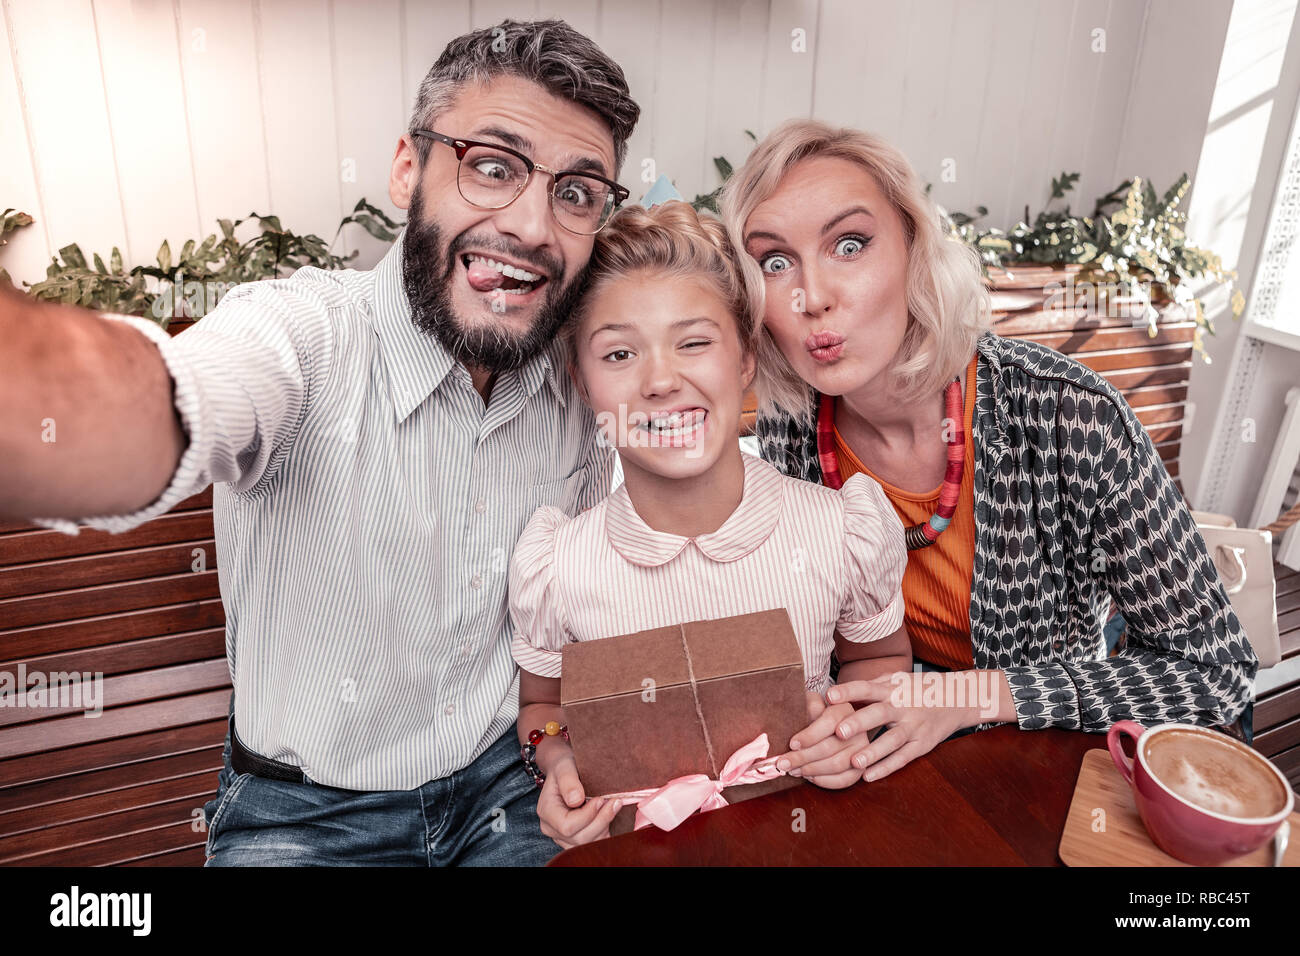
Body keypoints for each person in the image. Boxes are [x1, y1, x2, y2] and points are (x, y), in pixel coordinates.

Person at [0, 19, 640, 866]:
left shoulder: (576, 373)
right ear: (408, 169)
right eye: (492, 167)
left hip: (512, 784)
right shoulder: (300, 336)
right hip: (303, 817)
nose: (530, 226)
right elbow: (165, 401)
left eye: (575, 192)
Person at [718, 119, 1258, 783]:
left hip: (1031, 737)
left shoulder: (1069, 415)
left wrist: (958, 699)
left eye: (849, 245)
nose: (812, 296)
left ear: (915, 249)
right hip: (878, 739)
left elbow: (1217, 671)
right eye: (775, 262)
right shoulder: (791, 426)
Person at [506, 201, 911, 850]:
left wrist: (851, 726)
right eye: (618, 354)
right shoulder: (558, 565)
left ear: (746, 359)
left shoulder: (839, 532)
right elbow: (543, 711)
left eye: (694, 342)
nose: (661, 380)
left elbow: (881, 661)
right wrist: (556, 764)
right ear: (581, 383)